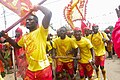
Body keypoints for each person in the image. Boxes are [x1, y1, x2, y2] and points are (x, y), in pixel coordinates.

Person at [1, 3, 52, 80]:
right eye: (27, 20)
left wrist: (37, 7)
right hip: (30, 70)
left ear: (36, 23)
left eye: (30, 20)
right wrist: (7, 37)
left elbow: (48, 13)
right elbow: (17, 45)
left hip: (43, 69)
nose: (27, 21)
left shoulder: (41, 31)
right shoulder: (25, 36)